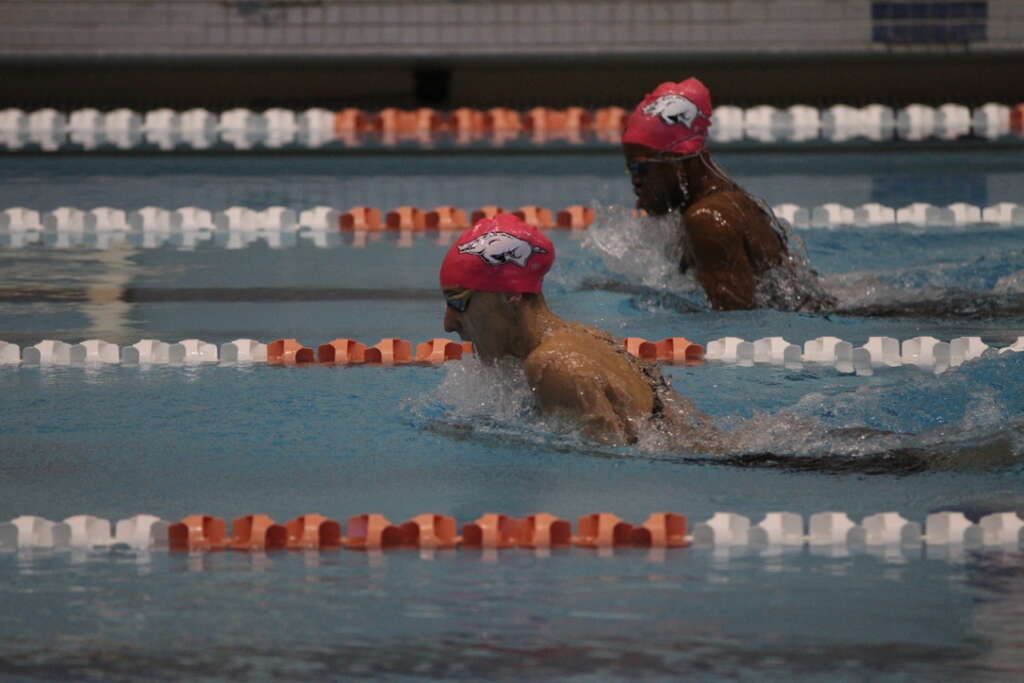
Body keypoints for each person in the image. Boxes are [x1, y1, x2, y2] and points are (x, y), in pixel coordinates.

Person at [440, 213, 722, 448]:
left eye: (458, 302)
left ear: (510, 294)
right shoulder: (588, 337)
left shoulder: (553, 365)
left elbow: (607, 469)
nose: (449, 323)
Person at [622, 77, 835, 311]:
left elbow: (736, 328)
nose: (636, 182)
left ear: (678, 161)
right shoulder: (726, 201)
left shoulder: (707, 220)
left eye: (639, 167)